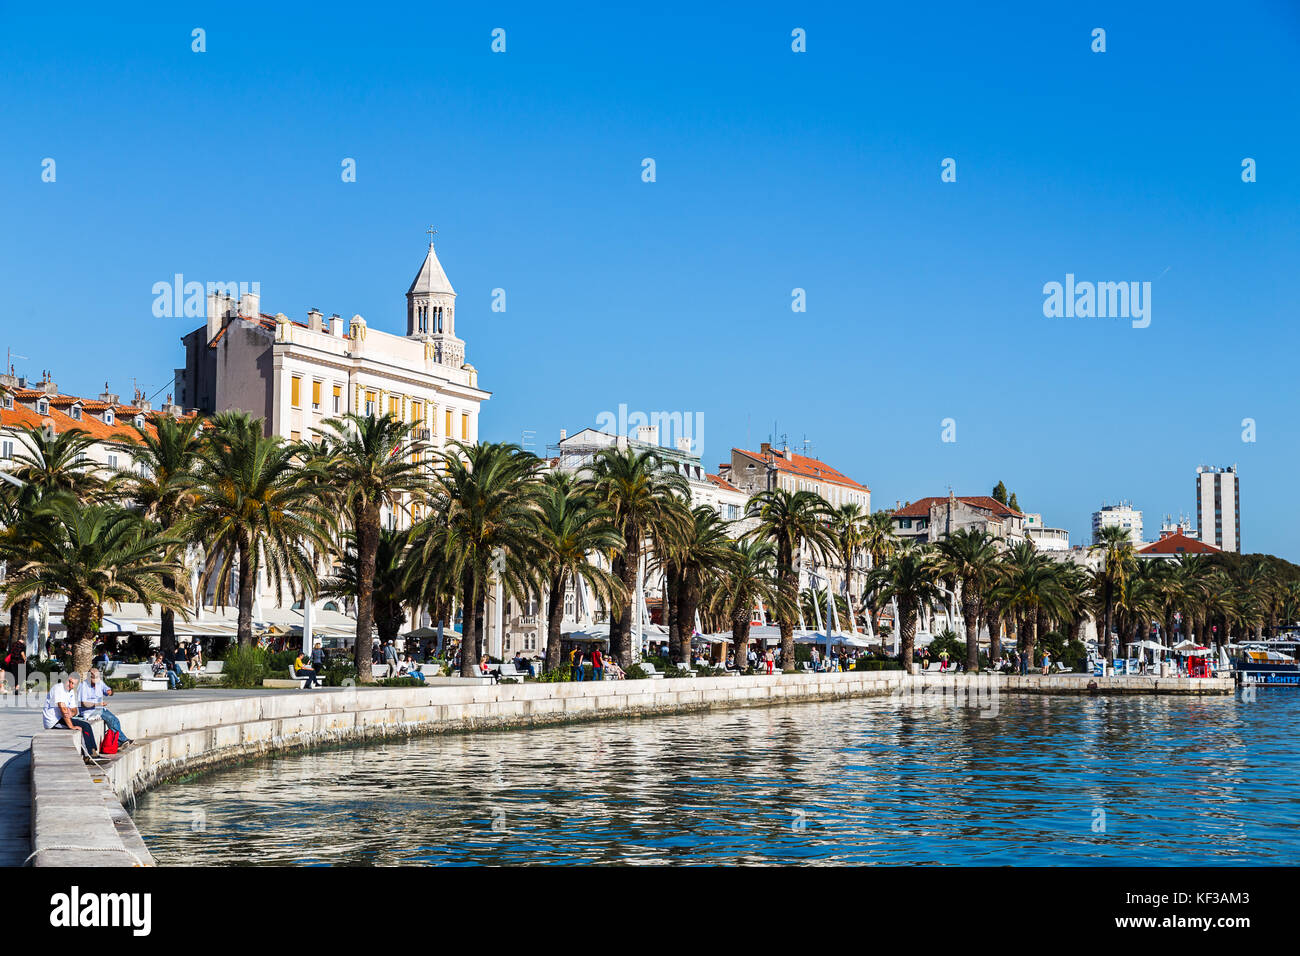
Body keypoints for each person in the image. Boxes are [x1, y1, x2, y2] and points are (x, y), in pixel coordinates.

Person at [44, 674, 97, 755]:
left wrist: (71, 713)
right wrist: (71, 726)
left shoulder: (70, 691)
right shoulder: (58, 688)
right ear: (67, 679)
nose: (70, 685)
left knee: (87, 725)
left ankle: (94, 751)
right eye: (70, 682)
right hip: (53, 721)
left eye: (73, 684)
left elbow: (75, 710)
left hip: (61, 718)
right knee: (83, 727)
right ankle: (89, 755)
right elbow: (63, 709)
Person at [79, 668, 131, 746]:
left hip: (99, 708)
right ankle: (123, 740)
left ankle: (119, 742)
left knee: (115, 720)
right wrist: (97, 704)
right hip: (88, 710)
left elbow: (108, 690)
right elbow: (83, 704)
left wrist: (109, 692)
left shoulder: (100, 683)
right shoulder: (83, 686)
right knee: (112, 719)